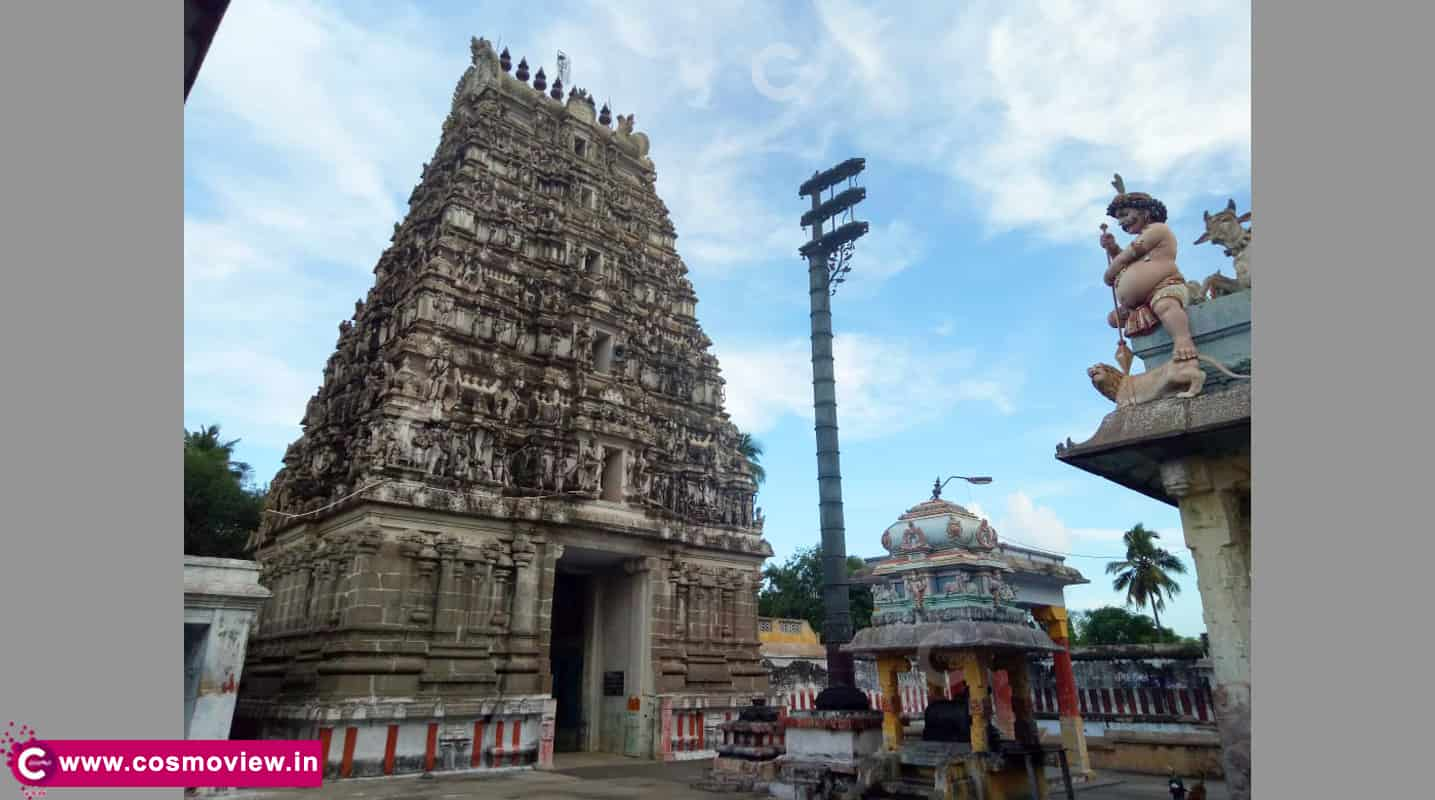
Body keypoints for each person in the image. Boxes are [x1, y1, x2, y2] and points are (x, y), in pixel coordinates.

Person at [1101, 175, 1199, 362]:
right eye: (1119, 218)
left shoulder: (1158, 230)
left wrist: (1110, 272)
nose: (1121, 222)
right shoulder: (1142, 238)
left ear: (1145, 211)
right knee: (1114, 318)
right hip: (1141, 301)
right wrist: (1113, 249)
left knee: (1165, 305)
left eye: (1125, 215)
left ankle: (1183, 341)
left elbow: (1129, 255)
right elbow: (1128, 261)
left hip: (1165, 287)